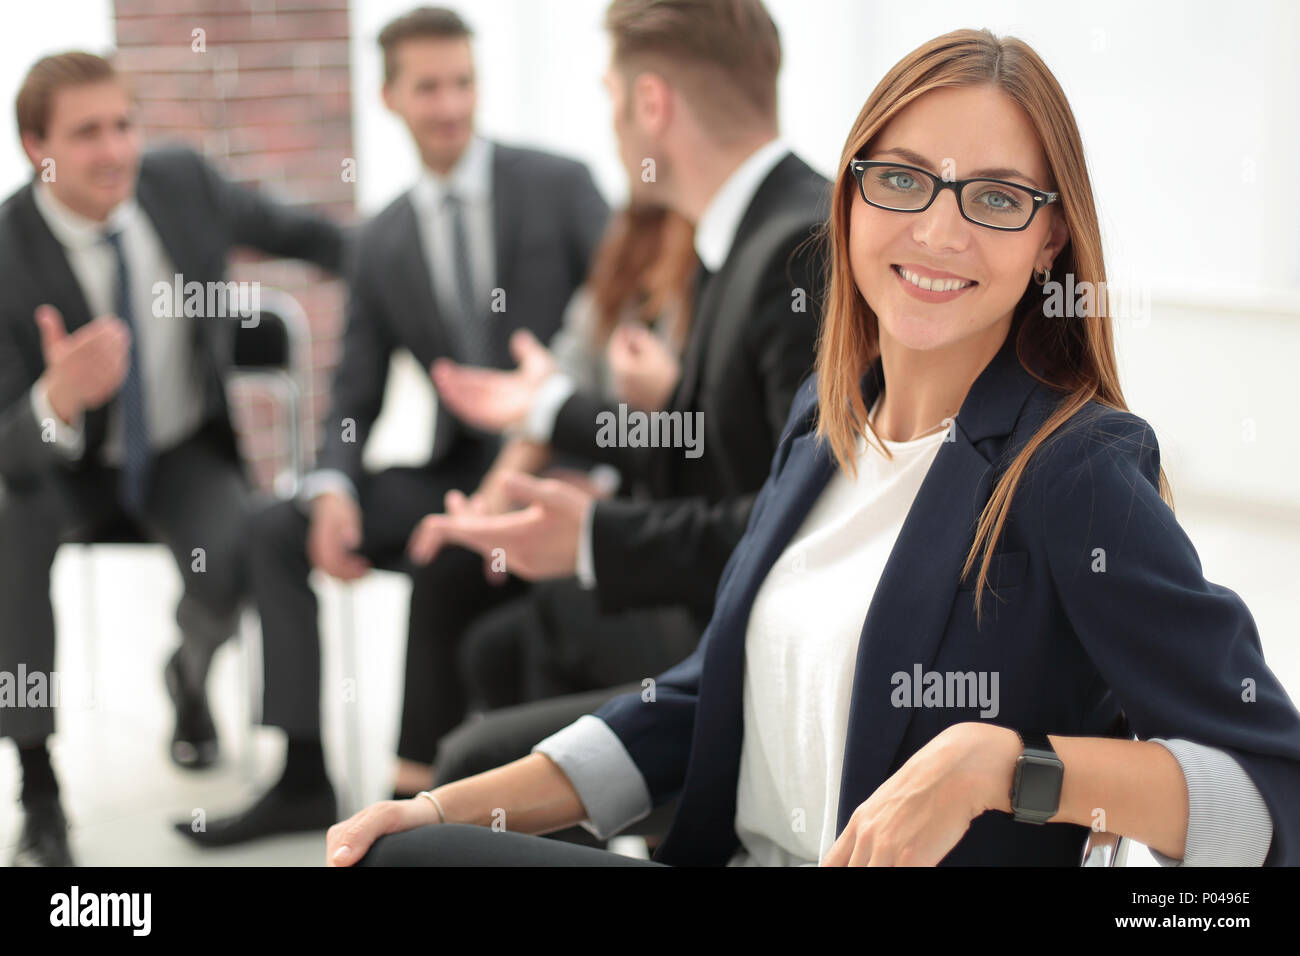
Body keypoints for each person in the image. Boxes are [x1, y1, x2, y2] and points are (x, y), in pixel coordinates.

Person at [327, 27, 1300, 867]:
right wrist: (438, 806)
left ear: (1050, 238)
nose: (937, 229)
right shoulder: (825, 420)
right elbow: (702, 695)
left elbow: (1270, 786)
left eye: (997, 198)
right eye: (904, 179)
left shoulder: (1074, 468)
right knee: (403, 843)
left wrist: (1001, 766)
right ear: (853, 195)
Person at [174, 6, 608, 848]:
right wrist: (332, 483)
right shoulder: (384, 239)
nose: (450, 105)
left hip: (565, 467)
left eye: (463, 83)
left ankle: (407, 794)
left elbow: (627, 314)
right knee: (277, 524)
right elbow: (354, 393)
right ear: (390, 98)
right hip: (459, 470)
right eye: (429, 87)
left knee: (446, 549)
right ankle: (303, 772)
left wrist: (552, 445)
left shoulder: (560, 185)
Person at [401, 0, 828, 805]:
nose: (612, 127)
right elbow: (707, 442)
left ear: (652, 104)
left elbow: (795, 525)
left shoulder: (794, 254)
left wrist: (595, 534)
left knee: (472, 759)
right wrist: (557, 414)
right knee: (499, 651)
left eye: (611, 98)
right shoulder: (747, 237)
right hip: (723, 613)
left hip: (759, 662)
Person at [0, 51, 347, 866]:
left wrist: (403, 271)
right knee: (8, 536)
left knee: (233, 554)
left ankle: (188, 677)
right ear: (34, 147)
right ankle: (39, 788)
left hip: (180, 445)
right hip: (62, 466)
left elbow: (298, 232)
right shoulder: (5, 257)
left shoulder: (182, 182)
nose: (115, 149)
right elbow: (7, 452)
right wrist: (56, 400)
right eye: (87, 134)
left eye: (123, 124)